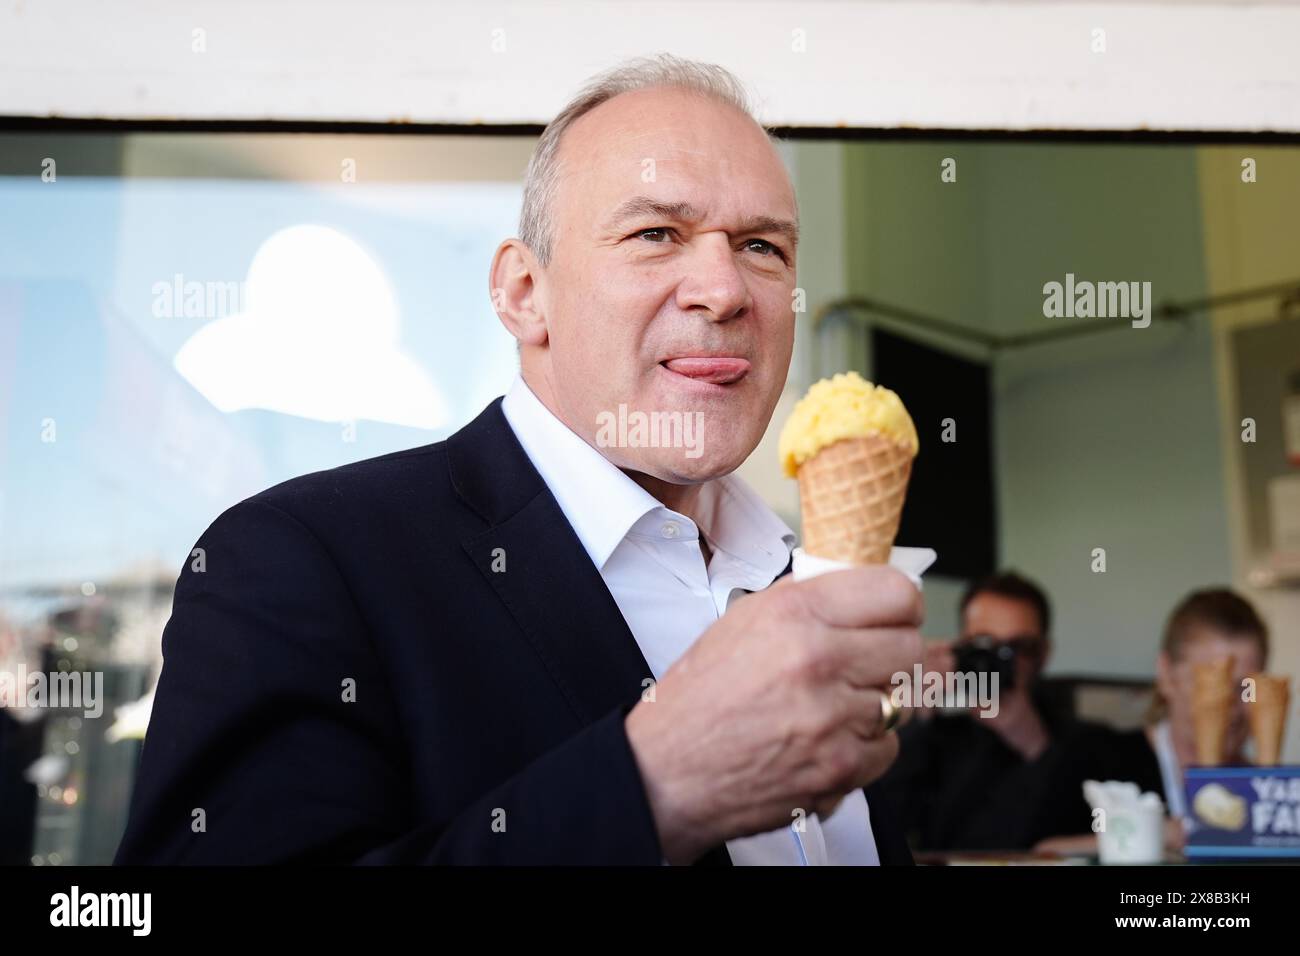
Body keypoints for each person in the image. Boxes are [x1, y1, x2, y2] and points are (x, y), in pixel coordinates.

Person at [114, 55, 923, 866]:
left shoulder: (806, 585)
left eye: (761, 246)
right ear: (524, 293)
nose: (724, 289)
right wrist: (654, 788)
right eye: (655, 233)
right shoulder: (300, 560)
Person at [868, 571, 1098, 852]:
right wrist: (919, 710)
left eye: (1019, 647)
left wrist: (1035, 749)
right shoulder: (937, 736)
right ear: (961, 647)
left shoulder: (1085, 743)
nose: (1001, 662)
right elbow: (884, 828)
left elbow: (1073, 838)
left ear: (1044, 654)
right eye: (985, 646)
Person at [1035, 587, 1270, 857]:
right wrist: (1154, 834)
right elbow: (1043, 852)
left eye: (1246, 689)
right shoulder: (1098, 761)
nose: (1228, 708)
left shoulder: (1268, 794)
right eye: (1209, 686)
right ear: (1166, 674)